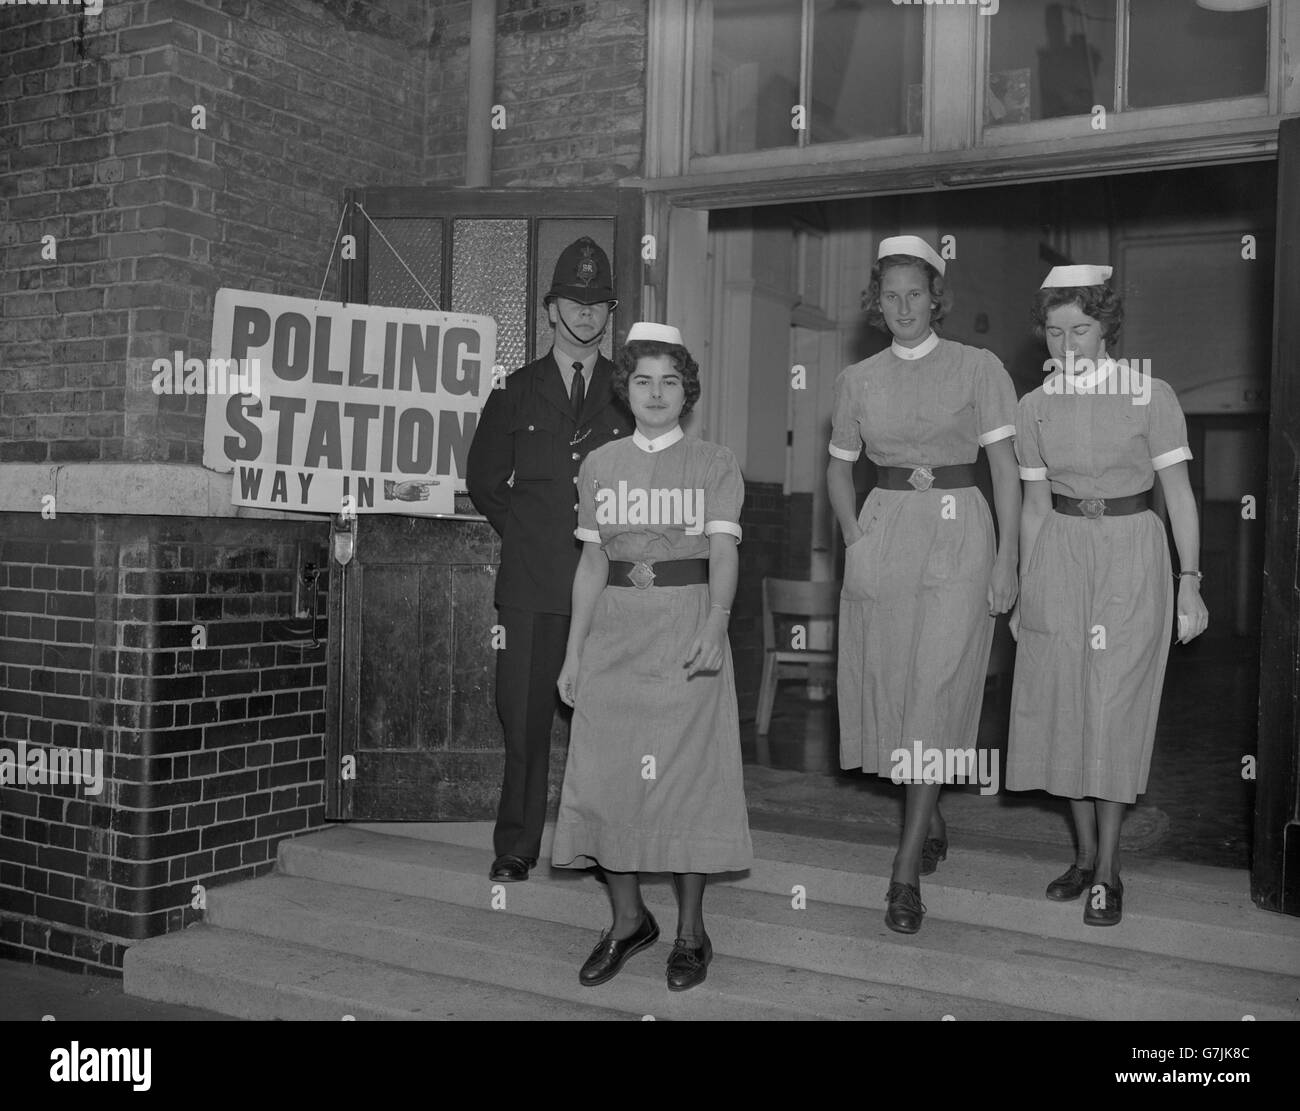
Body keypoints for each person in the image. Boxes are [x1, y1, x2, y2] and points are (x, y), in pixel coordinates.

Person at [827, 235, 1021, 935]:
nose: (904, 306)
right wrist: (855, 536)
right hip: (885, 531)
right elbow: (837, 467)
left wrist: (1007, 560)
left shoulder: (978, 367)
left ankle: (904, 871)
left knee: (938, 685)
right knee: (894, 688)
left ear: (936, 298)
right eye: (891, 294)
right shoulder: (858, 379)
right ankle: (928, 809)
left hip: (960, 530)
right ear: (876, 302)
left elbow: (1005, 470)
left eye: (917, 293)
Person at [551, 322, 752, 992]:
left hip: (688, 630)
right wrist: (573, 654)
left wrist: (718, 622)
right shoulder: (600, 467)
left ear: (686, 390)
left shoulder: (715, 463)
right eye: (643, 380)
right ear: (626, 388)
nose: (656, 392)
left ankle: (692, 931)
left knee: (686, 782)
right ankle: (628, 917)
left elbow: (723, 553)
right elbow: (589, 564)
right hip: (614, 635)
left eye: (670, 380)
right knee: (609, 778)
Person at [1007, 264, 1208, 926]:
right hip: (1061, 552)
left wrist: (1190, 582)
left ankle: (1110, 870)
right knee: (1065, 701)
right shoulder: (1033, 407)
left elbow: (1178, 493)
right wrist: (1023, 590)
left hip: (1131, 551)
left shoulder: (1151, 395)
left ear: (1107, 326)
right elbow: (1035, 505)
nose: (1066, 345)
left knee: (1113, 708)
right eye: (1055, 331)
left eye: (1081, 329)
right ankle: (1086, 853)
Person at [466, 237, 633, 883]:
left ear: (610, 311)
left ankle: (599, 845)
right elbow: (485, 481)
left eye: (598, 303)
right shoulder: (515, 390)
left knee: (606, 723)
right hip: (531, 589)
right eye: (573, 301)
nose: (586, 314)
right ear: (550, 308)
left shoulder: (629, 392)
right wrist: (536, 533)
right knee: (526, 721)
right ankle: (516, 845)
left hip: (611, 587)